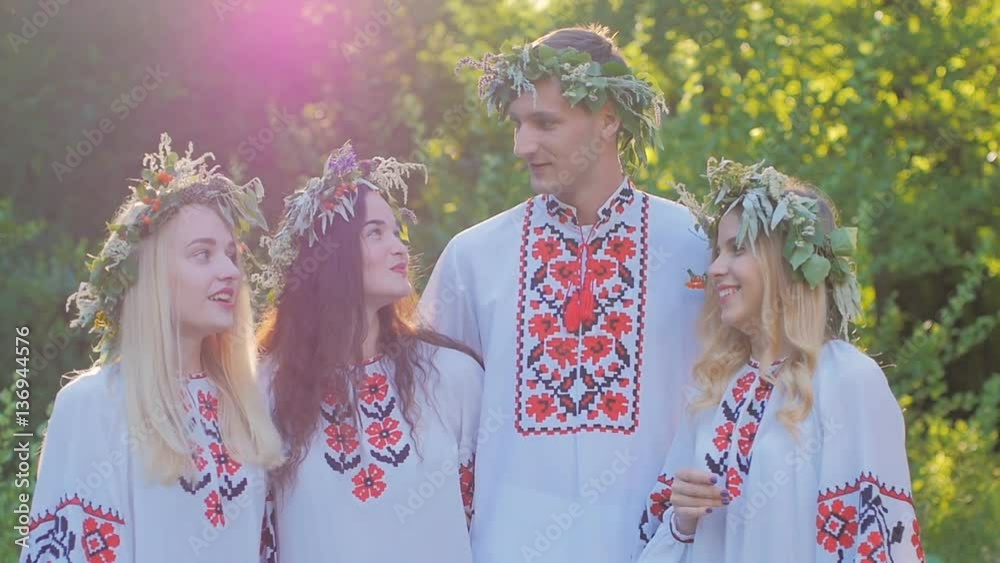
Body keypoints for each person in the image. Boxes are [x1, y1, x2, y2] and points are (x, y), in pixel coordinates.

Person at [421, 25, 709, 562]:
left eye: (545, 123)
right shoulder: (474, 258)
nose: (522, 145)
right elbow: (425, 418)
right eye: (518, 124)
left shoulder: (697, 248)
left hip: (662, 549)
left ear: (607, 119)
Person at [634, 158, 924, 563]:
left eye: (738, 249)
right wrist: (682, 520)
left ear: (788, 262)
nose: (716, 268)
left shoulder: (847, 380)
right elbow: (660, 537)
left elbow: (877, 547)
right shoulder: (715, 390)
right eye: (717, 251)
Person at [21, 133, 284, 563]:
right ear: (152, 274)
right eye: (203, 255)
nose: (229, 272)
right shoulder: (95, 404)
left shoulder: (247, 408)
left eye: (231, 255)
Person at [253, 141, 484, 562]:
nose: (400, 247)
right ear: (328, 257)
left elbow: (485, 520)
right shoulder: (265, 387)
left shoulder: (451, 374)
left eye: (396, 232)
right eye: (375, 232)